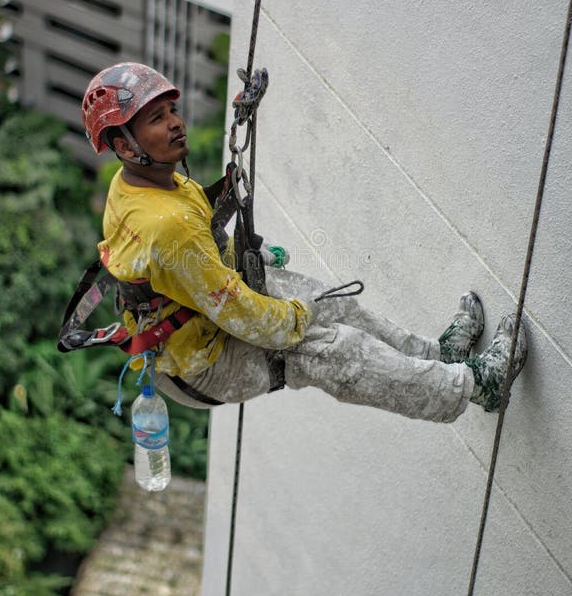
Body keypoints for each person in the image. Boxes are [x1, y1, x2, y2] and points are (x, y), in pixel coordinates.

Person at [81, 62, 527, 421]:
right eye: (156, 120)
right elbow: (246, 317)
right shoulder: (166, 221)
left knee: (329, 302)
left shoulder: (139, 183)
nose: (176, 124)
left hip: (194, 325)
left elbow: (186, 268)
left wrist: (234, 261)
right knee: (335, 353)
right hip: (204, 365)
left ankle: (439, 357)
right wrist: (296, 317)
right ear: (123, 145)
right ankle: (476, 386)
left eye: (171, 111)